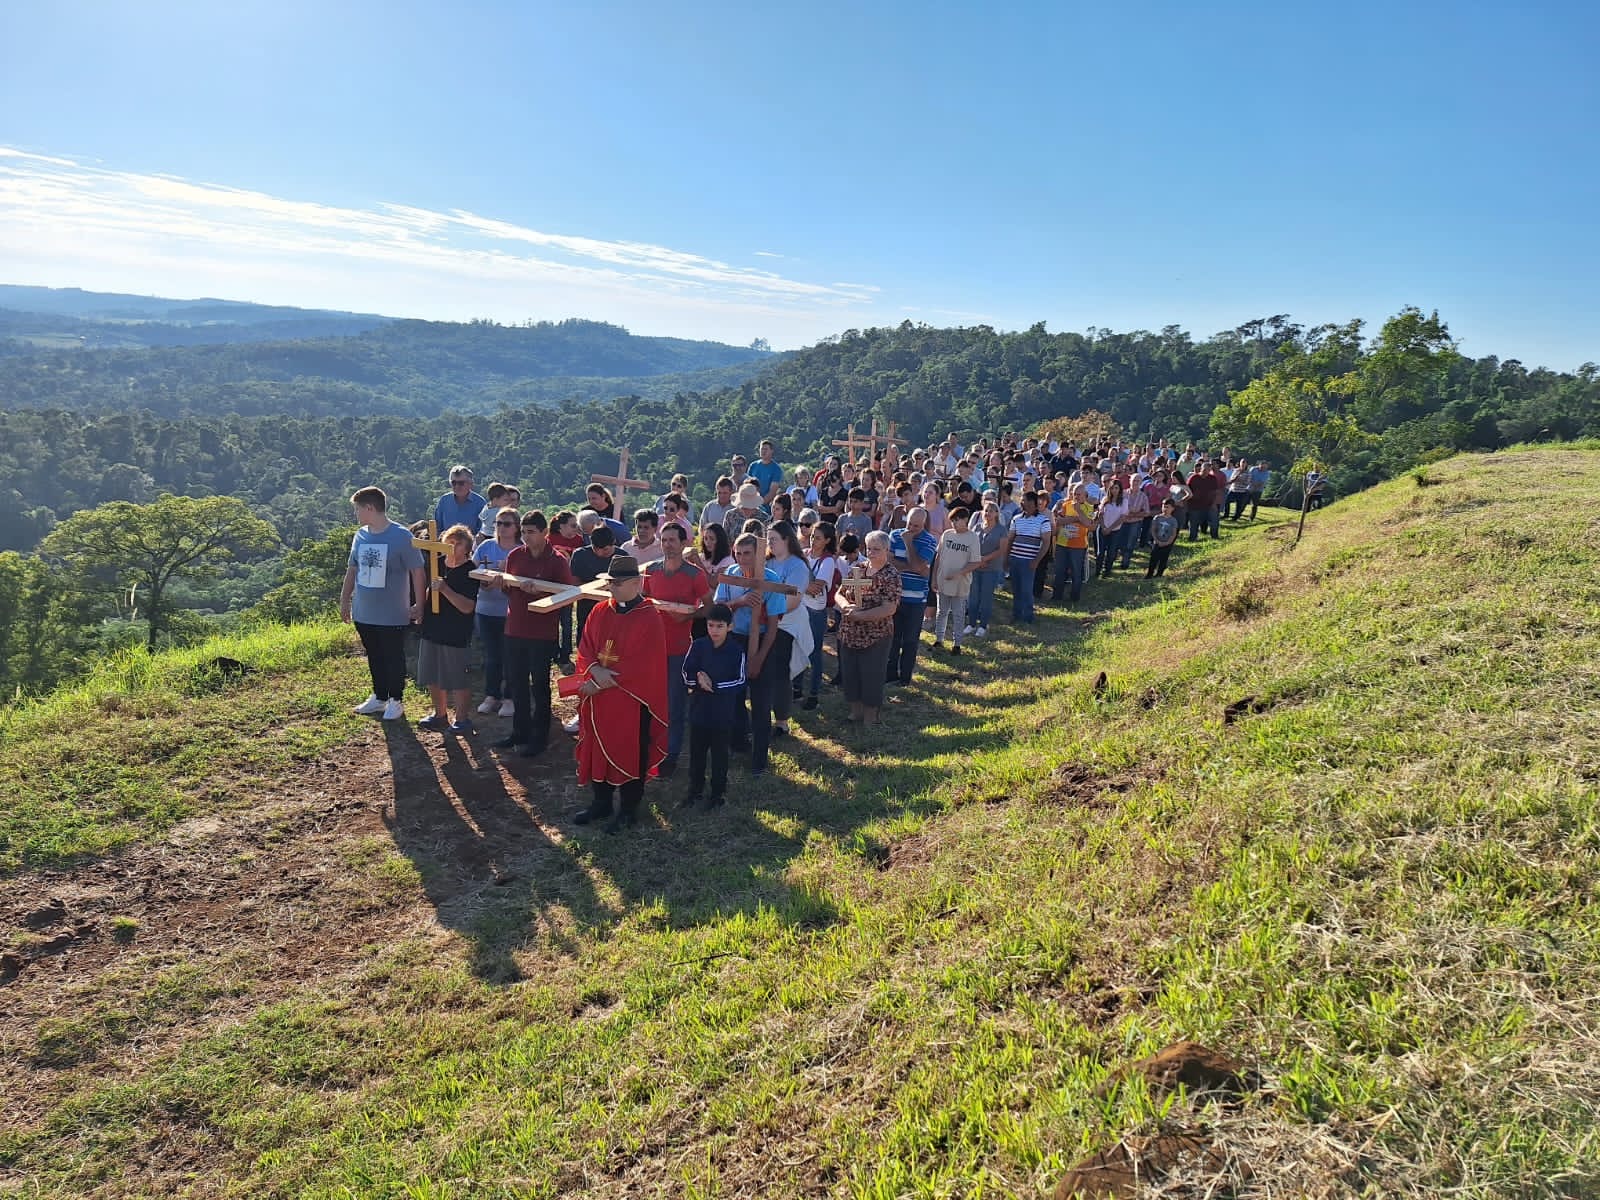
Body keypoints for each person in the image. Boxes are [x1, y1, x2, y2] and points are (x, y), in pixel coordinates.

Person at [571, 556, 669, 833]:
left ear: (636, 583)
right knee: (597, 747)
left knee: (630, 751)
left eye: (618, 583)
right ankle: (601, 802)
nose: (612, 587)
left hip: (631, 699)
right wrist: (593, 670)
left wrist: (601, 681)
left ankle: (628, 810)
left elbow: (644, 662)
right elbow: (586, 645)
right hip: (599, 697)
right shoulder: (600, 610)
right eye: (610, 582)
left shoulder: (650, 617)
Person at [341, 486, 425, 721]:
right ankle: (379, 697)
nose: (356, 514)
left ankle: (396, 700)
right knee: (374, 654)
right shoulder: (360, 535)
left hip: (392, 613)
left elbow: (417, 572)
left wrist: (420, 604)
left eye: (358, 509)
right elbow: (352, 569)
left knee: (393, 656)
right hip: (364, 611)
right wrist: (345, 600)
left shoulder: (402, 536)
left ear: (370, 508)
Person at [497, 509, 576, 756]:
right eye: (524, 532)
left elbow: (566, 595)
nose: (526, 537)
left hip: (542, 633)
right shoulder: (515, 556)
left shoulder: (557, 561)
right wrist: (503, 585)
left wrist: (540, 593)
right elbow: (509, 590)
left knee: (539, 685)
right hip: (515, 628)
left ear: (544, 533)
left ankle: (540, 738)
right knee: (517, 683)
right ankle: (519, 732)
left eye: (531, 532)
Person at [713, 533, 788, 767]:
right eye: (738, 553)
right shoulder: (730, 576)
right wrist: (740, 602)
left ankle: (760, 757)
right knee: (733, 695)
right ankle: (739, 742)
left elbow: (773, 626)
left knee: (761, 700)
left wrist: (758, 658)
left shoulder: (771, 580)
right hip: (735, 638)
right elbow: (718, 610)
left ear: (758, 555)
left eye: (748, 553)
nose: (742, 558)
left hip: (763, 640)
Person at [643, 521, 709, 778]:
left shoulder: (694, 575)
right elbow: (643, 603)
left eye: (672, 540)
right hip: (651, 649)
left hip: (678, 649)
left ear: (683, 544)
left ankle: (670, 754)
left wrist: (688, 615)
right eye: (664, 540)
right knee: (651, 700)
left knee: (675, 703)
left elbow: (709, 606)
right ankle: (649, 747)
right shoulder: (651, 570)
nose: (668, 545)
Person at [748, 521, 810, 771]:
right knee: (763, 670)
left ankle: (782, 720)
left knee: (780, 671)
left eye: (774, 538)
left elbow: (793, 599)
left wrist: (770, 611)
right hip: (762, 622)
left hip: (786, 623)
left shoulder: (797, 566)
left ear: (786, 539)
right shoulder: (766, 563)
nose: (770, 543)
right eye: (768, 539)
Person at [679, 603, 745, 811]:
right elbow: (686, 672)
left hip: (722, 714)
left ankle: (717, 793)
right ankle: (695, 790)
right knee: (697, 754)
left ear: (730, 627)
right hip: (699, 711)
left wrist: (714, 686)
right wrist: (698, 681)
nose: (714, 631)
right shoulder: (698, 646)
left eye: (719, 626)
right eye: (710, 625)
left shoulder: (735, 651)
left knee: (719, 755)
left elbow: (740, 681)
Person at [416, 524, 480, 733]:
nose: (452, 546)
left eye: (458, 543)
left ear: (467, 547)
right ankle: (440, 715)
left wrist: (445, 589)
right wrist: (419, 608)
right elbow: (429, 590)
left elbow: (467, 606)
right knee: (432, 674)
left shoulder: (470, 571)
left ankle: (462, 719)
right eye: (449, 542)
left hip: (455, 631)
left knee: (456, 677)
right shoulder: (437, 563)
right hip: (432, 626)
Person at [835, 531, 900, 727]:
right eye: (869, 548)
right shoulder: (858, 569)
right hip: (849, 631)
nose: (871, 553)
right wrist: (846, 606)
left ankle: (871, 717)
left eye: (876, 549)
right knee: (850, 673)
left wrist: (861, 615)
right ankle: (855, 712)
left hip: (876, 634)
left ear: (887, 550)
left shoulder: (891, 575)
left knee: (872, 675)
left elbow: (889, 608)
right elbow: (839, 593)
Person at [472, 506, 521, 718]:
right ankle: (491, 695)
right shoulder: (486, 546)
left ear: (516, 527)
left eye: (506, 524)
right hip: (485, 610)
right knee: (491, 656)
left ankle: (509, 697)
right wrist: (484, 582)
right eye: (498, 523)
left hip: (510, 612)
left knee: (510, 655)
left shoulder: (521, 550)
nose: (501, 527)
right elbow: (472, 571)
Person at [887, 506, 936, 685]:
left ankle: (905, 678)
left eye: (916, 526)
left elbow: (917, 566)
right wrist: (916, 568)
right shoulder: (894, 535)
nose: (911, 529)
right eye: (909, 524)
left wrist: (908, 543)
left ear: (923, 524)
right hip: (895, 597)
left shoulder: (930, 540)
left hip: (916, 600)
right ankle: (890, 674)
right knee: (893, 639)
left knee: (910, 640)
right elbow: (889, 562)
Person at [800, 521, 840, 708]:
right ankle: (797, 688)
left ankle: (814, 694)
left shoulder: (828, 561)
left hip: (816, 612)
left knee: (814, 653)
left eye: (817, 538)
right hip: (800, 608)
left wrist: (797, 585)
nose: (813, 540)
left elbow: (816, 589)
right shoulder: (803, 555)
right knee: (798, 648)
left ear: (827, 541)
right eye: (812, 536)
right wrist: (802, 586)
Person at [932, 506, 979, 654]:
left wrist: (959, 573)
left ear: (965, 519)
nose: (954, 523)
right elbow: (938, 556)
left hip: (960, 583)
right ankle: (939, 639)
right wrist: (934, 578)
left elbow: (975, 562)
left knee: (958, 614)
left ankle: (957, 644)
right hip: (943, 580)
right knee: (942, 611)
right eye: (952, 520)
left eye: (957, 520)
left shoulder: (972, 538)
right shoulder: (947, 534)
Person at [1004, 491, 1051, 626]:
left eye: (1024, 500)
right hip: (1015, 558)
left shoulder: (1043, 520)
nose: (1022, 503)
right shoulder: (1016, 519)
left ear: (1032, 503)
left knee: (1026, 589)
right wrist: (1006, 558)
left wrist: (1036, 561)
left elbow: (1046, 543)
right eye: (1022, 500)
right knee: (1016, 588)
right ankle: (1016, 614)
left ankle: (1028, 616)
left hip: (1029, 560)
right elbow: (1010, 539)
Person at [964, 500, 1007, 638]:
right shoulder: (977, 527)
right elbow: (970, 544)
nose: (987, 513)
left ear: (996, 514)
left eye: (991, 511)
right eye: (986, 510)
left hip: (991, 568)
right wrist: (977, 559)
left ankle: (983, 625)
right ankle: (971, 623)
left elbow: (1002, 549)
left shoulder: (1001, 530)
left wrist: (985, 559)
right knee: (973, 597)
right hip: (975, 567)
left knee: (986, 597)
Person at [1050, 484, 1094, 605]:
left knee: (1076, 572)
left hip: (1078, 546)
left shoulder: (1089, 507)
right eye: (1074, 494)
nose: (1076, 496)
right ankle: (1056, 596)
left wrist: (1078, 511)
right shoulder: (1066, 504)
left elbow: (1089, 524)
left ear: (1085, 495)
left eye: (1079, 494)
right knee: (1059, 570)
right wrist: (1076, 519)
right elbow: (1059, 521)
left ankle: (1074, 598)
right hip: (1062, 543)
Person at [432, 465, 486, 535]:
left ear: (470, 484)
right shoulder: (444, 501)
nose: (457, 486)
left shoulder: (480, 503)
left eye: (461, 483)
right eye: (454, 483)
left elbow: (483, 531)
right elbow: (437, 527)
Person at [1095, 479, 1130, 578]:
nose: (1114, 490)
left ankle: (1107, 571)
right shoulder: (1105, 500)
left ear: (1120, 489)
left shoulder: (1124, 502)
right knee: (1100, 553)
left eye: (1116, 488)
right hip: (1102, 529)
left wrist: (1110, 528)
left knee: (1111, 553)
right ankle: (1097, 571)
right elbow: (1100, 514)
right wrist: (1103, 527)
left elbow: (1122, 518)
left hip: (1115, 531)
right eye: (1112, 488)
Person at [1147, 498, 1180, 577]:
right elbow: (1153, 530)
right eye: (1164, 506)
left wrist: (1168, 542)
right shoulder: (1157, 518)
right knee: (1153, 558)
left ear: (1172, 508)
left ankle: (1159, 573)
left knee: (1163, 559)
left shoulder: (1173, 520)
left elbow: (1173, 534)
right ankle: (1150, 573)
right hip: (1157, 542)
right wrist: (1156, 540)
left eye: (1167, 507)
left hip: (1167, 543)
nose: (1165, 509)